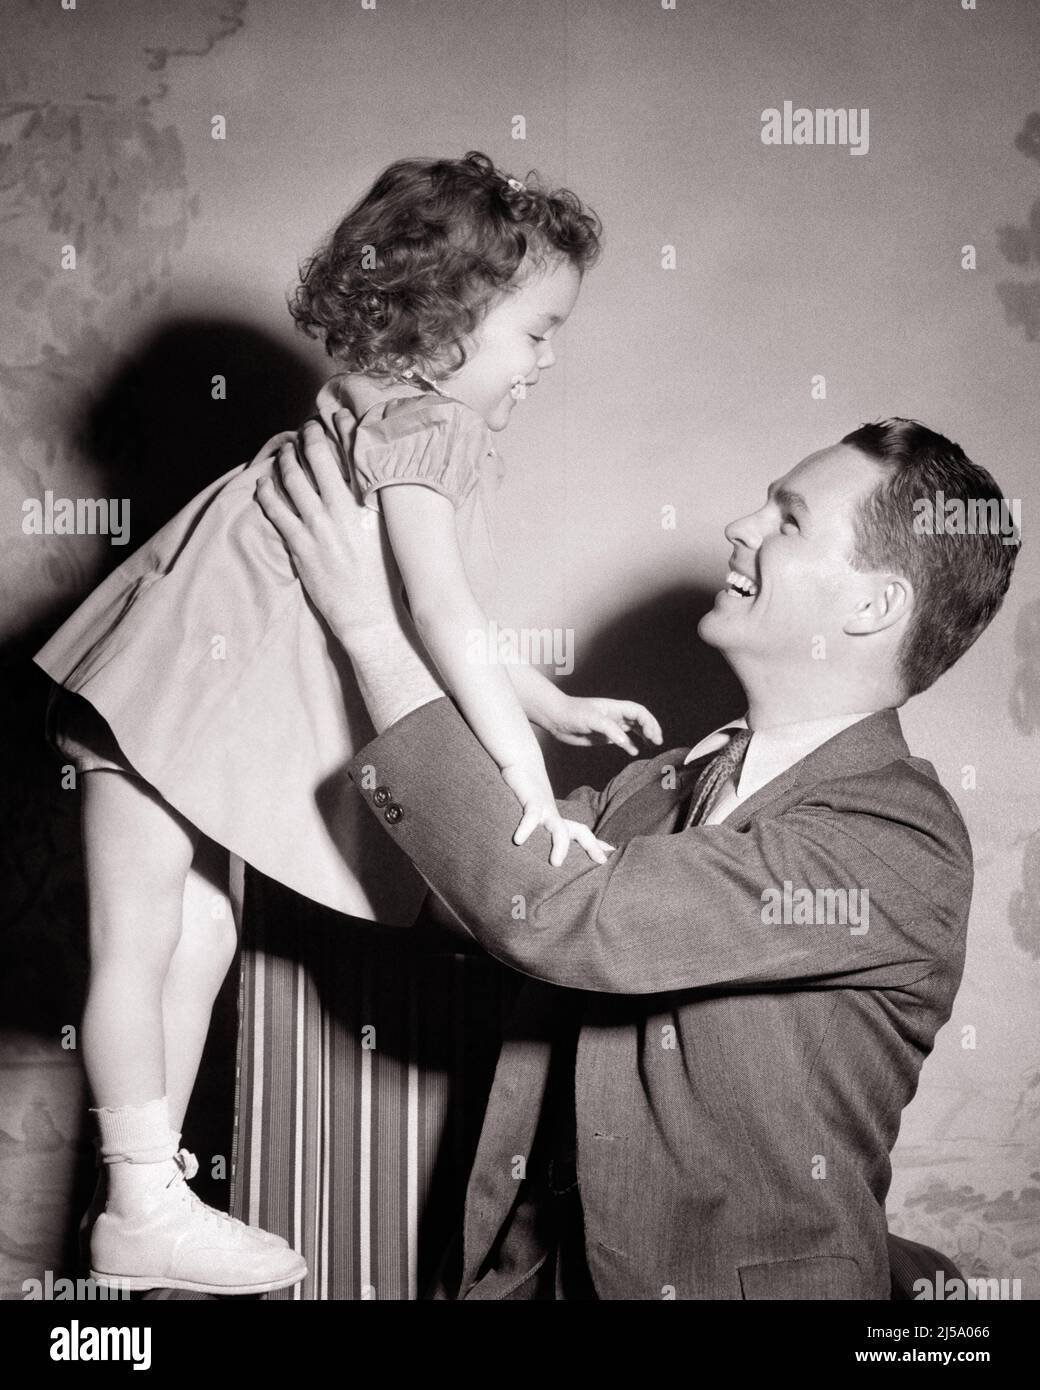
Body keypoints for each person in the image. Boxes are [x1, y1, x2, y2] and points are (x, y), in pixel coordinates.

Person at [33, 150, 659, 1295]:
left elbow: (433, 627)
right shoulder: (433, 431)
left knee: (194, 932)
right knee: (141, 940)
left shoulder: (371, 402)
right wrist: (526, 797)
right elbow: (442, 615)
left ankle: (147, 1192)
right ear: (450, 321)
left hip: (171, 685)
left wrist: (553, 702)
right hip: (166, 688)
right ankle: (137, 1201)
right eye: (536, 330)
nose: (550, 357)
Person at [257, 414, 1020, 1298]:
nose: (741, 527)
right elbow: (448, 894)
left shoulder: (894, 838)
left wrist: (371, 627)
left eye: (790, 519)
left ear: (872, 604)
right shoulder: (649, 789)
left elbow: (561, 915)